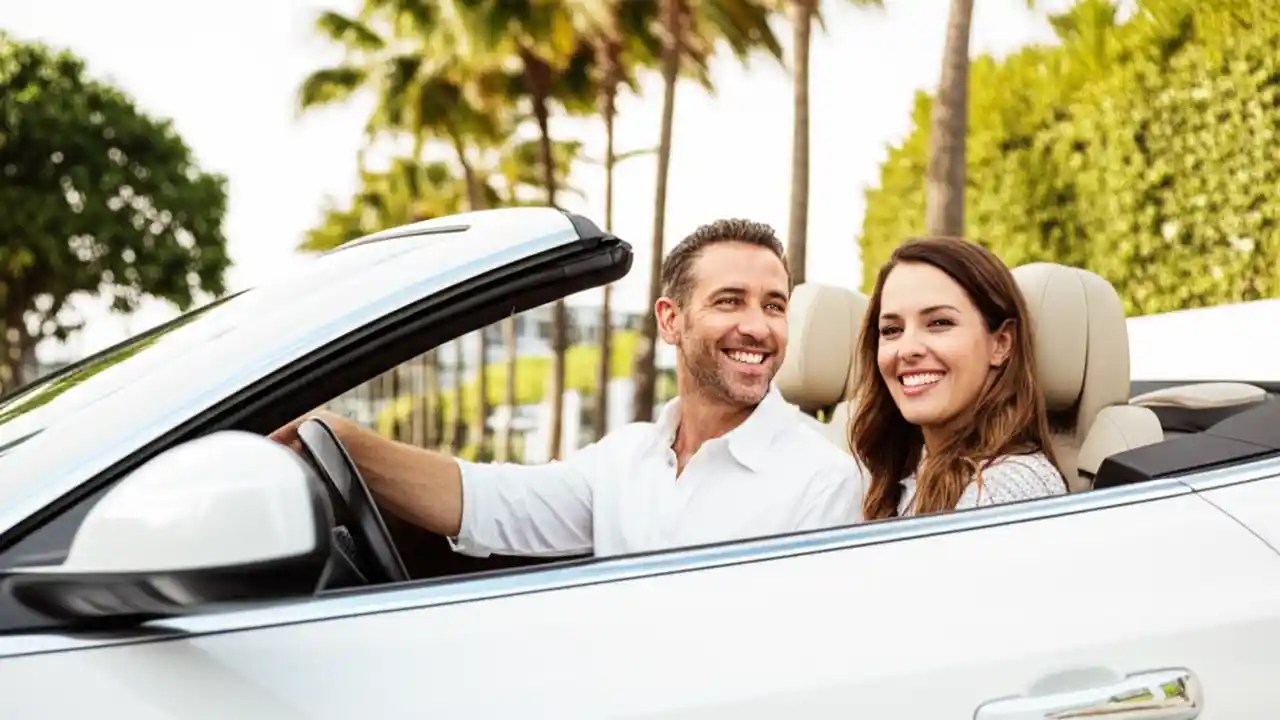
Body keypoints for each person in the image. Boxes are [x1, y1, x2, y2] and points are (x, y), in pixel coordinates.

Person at [272, 218, 865, 558]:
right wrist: (338, 438)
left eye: (774, 306)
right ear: (670, 319)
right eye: (729, 302)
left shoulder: (822, 483)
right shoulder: (627, 457)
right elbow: (490, 501)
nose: (757, 327)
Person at [849, 236, 1067, 520]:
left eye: (939, 323)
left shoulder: (1005, 490)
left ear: (1001, 343)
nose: (908, 349)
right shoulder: (893, 477)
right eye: (891, 330)